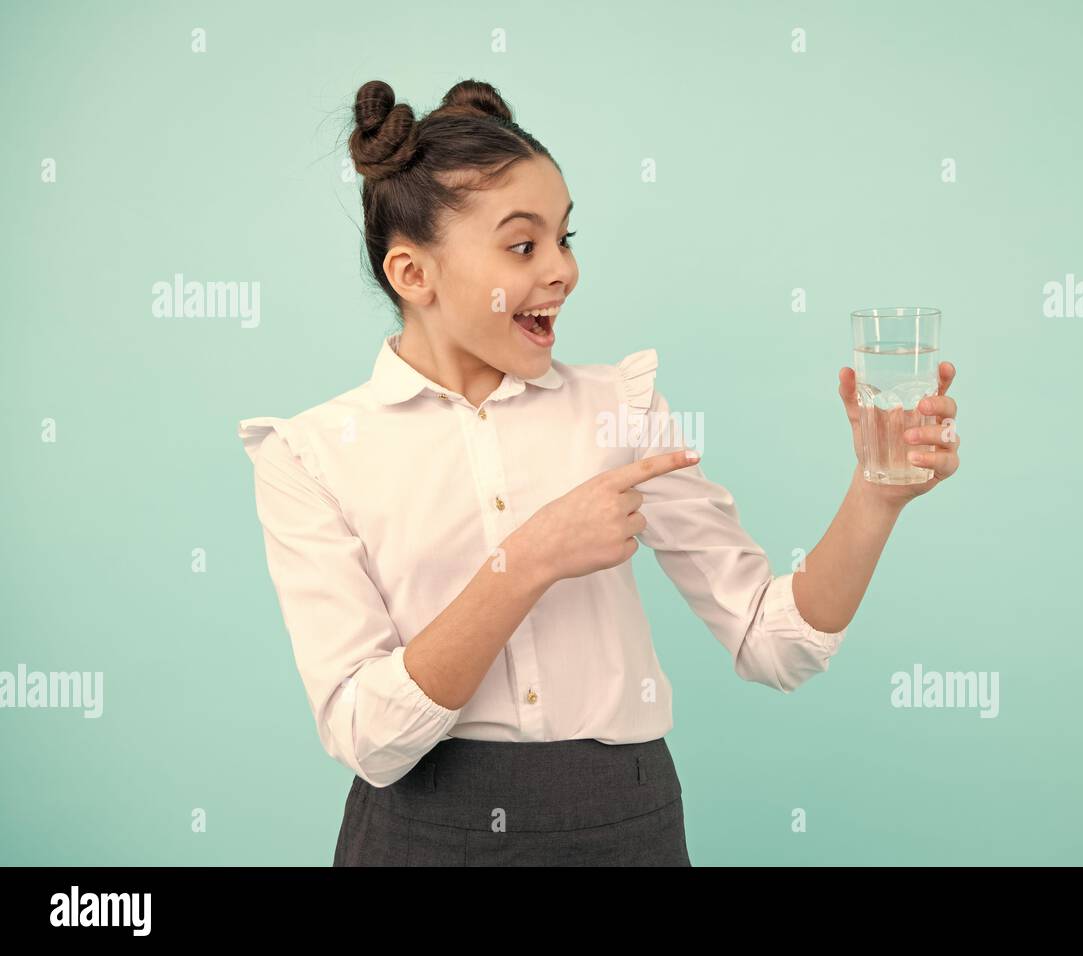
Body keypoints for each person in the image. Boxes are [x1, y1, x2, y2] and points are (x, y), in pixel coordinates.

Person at [237, 78, 961, 867]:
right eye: (524, 245)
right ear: (415, 276)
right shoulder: (311, 454)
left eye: (566, 239)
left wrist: (876, 497)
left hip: (624, 827)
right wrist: (534, 556)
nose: (563, 271)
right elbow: (368, 739)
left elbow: (770, 642)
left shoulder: (623, 407)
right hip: (420, 833)